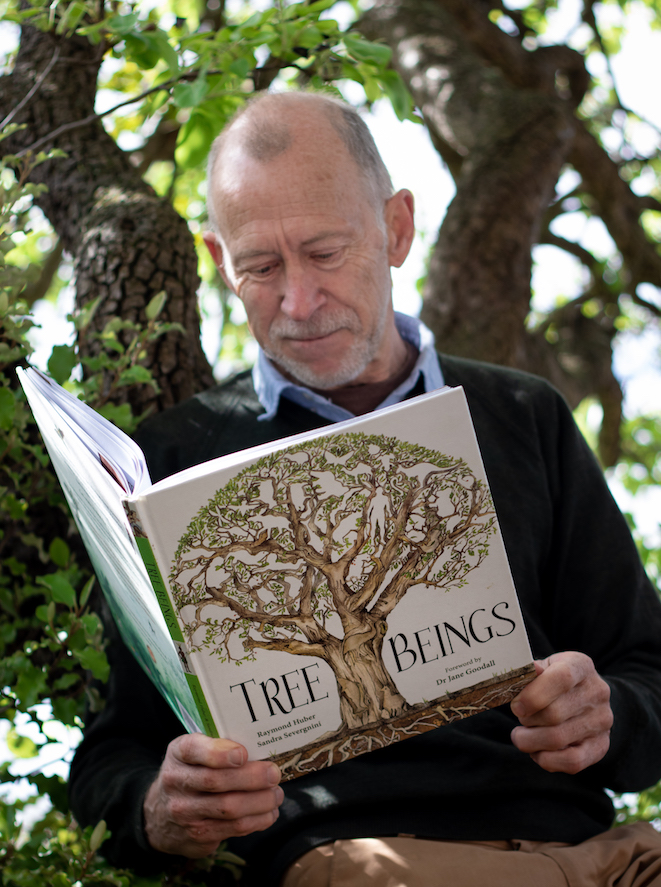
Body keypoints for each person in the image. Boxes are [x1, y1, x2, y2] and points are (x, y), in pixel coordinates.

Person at [69, 91, 661, 886]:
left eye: (323, 251)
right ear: (219, 263)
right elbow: (111, 754)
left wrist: (607, 715)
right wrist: (157, 807)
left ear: (397, 229)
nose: (298, 304)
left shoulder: (522, 415)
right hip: (359, 861)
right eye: (261, 267)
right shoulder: (172, 459)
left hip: (598, 852)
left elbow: (646, 669)